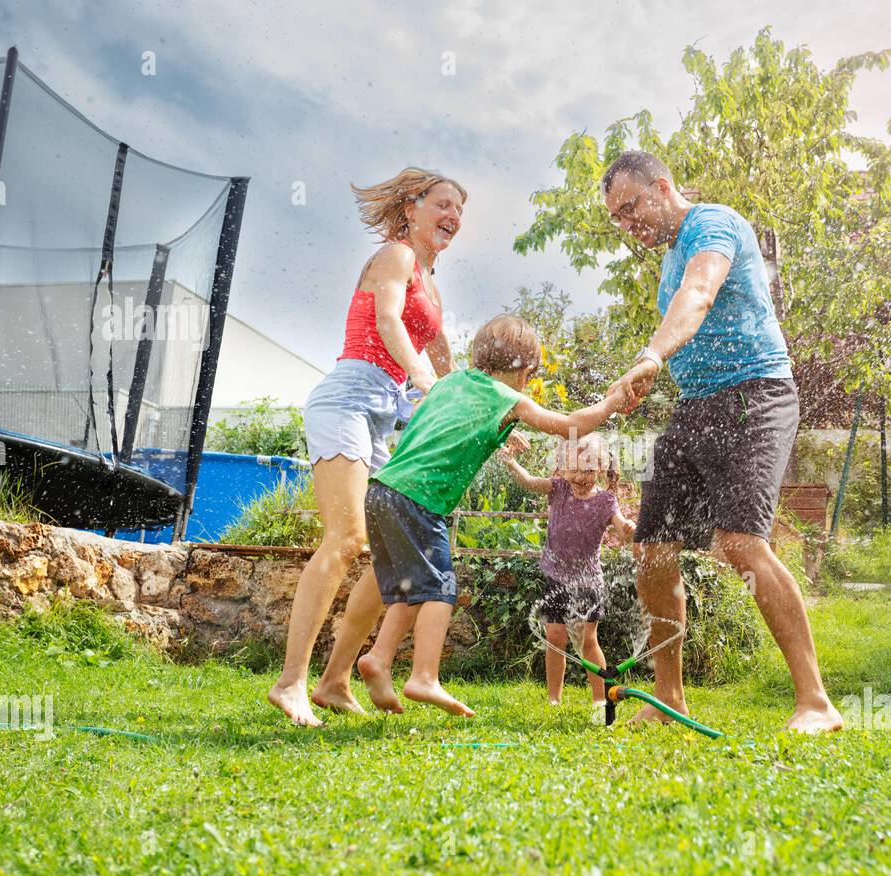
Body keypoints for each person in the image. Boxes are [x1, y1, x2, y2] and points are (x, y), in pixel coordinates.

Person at [602, 150, 843, 734]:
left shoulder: (713, 223)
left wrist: (652, 354)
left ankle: (816, 702)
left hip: (756, 394)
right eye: (618, 217)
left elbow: (701, 293)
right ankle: (670, 699)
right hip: (698, 406)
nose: (629, 223)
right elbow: (684, 309)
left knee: (739, 543)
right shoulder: (666, 263)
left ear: (663, 185)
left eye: (632, 206)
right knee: (653, 547)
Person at [353, 315, 628, 718]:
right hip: (420, 498)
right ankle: (424, 676)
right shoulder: (508, 397)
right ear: (526, 370)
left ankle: (378, 657)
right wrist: (612, 402)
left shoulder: (450, 383)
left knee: (409, 588)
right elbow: (570, 425)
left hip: (382, 490)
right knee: (439, 589)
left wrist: (501, 430)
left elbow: (450, 423)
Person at [268, 167, 465, 727]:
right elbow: (387, 320)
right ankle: (291, 683)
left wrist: (489, 414)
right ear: (411, 207)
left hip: (383, 418)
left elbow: (450, 365)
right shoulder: (395, 257)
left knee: (390, 557)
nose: (453, 217)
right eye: (443, 204)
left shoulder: (433, 285)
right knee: (347, 537)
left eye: (460, 212)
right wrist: (423, 379)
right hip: (349, 398)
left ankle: (335, 680)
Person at [499, 434, 635, 714]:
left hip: (588, 583)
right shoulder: (558, 488)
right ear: (564, 466)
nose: (579, 476)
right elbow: (529, 482)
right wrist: (511, 462)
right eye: (573, 468)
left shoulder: (606, 501)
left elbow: (622, 529)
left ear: (599, 467)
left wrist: (629, 530)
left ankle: (600, 700)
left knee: (588, 641)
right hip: (556, 578)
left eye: (586, 470)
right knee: (556, 639)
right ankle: (554, 699)